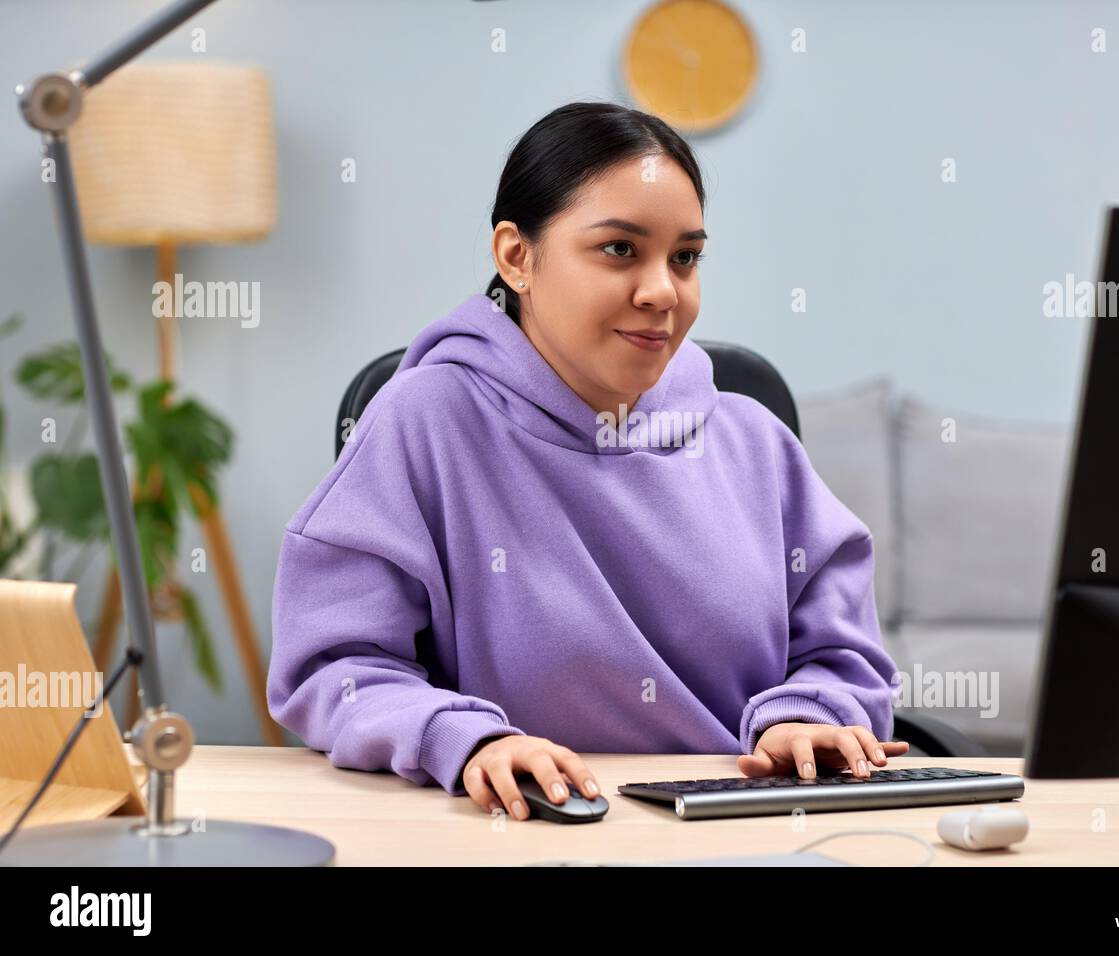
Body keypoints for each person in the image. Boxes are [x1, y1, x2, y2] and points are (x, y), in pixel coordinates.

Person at [268, 101, 907, 822]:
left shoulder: (753, 441)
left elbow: (842, 656)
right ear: (517, 257)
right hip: (517, 831)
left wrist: (807, 717)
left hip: (745, 827)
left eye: (685, 257)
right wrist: (466, 741)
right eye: (620, 250)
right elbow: (335, 668)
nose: (663, 290)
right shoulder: (426, 421)